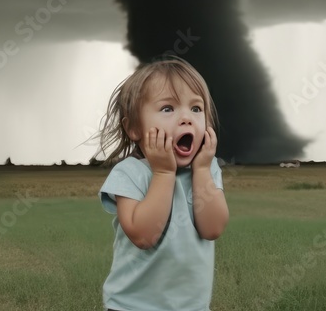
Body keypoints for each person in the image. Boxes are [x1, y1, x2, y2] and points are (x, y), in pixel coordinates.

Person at [96, 56, 229, 311]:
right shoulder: (130, 173)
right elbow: (144, 236)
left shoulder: (206, 169)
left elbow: (213, 228)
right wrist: (164, 174)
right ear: (134, 127)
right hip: (132, 306)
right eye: (168, 109)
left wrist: (201, 170)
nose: (186, 118)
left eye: (196, 109)